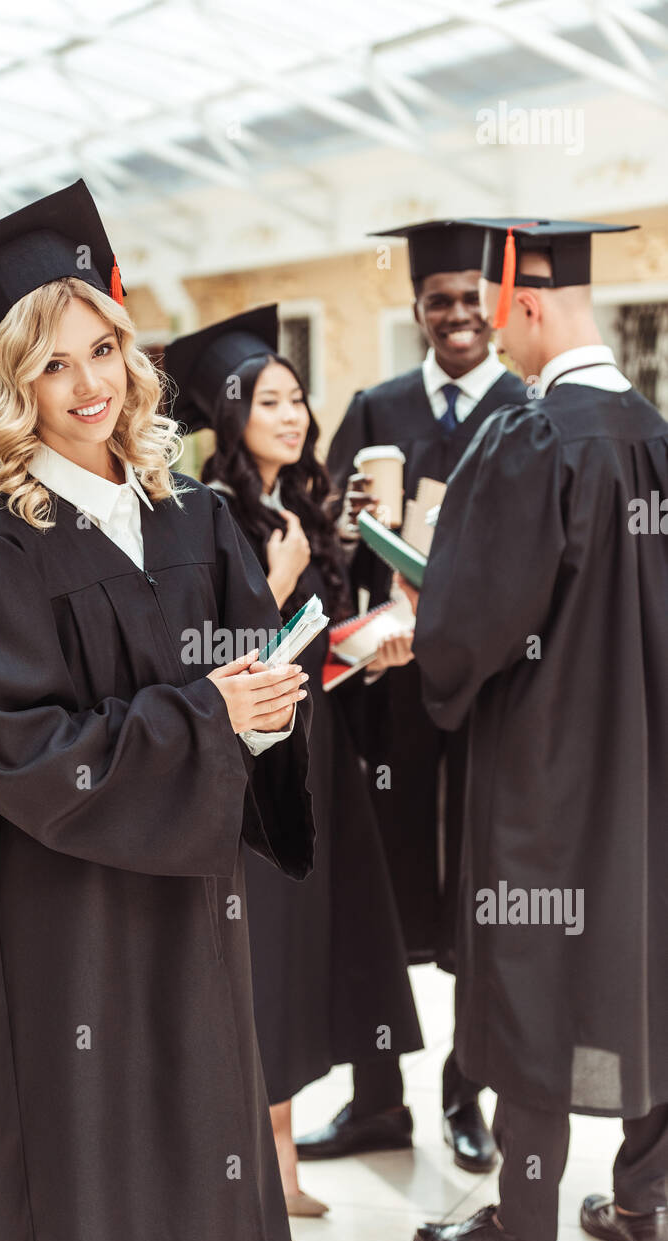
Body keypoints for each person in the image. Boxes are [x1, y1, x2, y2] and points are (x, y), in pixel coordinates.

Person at [0, 181, 316, 1241]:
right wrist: (207, 718)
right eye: (50, 363)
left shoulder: (199, 520)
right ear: (8, 386)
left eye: (101, 348)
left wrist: (278, 702)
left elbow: (256, 704)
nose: (88, 384)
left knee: (207, 1139)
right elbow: (25, 758)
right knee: (99, 1171)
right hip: (69, 927)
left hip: (194, 910)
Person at [410, 217, 668, 1241]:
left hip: (548, 763)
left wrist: (429, 653)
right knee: (650, 949)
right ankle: (649, 1204)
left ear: (522, 305)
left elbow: (470, 619)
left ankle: (524, 1226)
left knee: (531, 966)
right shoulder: (655, 432)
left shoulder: (535, 435)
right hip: (651, 766)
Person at [165, 307, 423, 1241]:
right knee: (260, 962)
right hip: (251, 764)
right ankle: (256, 1188)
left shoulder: (303, 506)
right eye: (270, 400)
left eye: (297, 396)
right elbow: (199, 656)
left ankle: (284, 1162)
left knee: (304, 959)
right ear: (229, 415)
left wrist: (370, 642)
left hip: (315, 749)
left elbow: (318, 644)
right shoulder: (205, 513)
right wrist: (273, 588)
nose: (296, 413)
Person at [300, 221, 528, 1172]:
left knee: (485, 903)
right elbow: (329, 547)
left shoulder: (527, 408)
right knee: (379, 896)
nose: (458, 314)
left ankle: (466, 1092)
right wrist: (349, 534)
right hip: (389, 702)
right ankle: (376, 1099)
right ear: (417, 308)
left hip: (492, 707)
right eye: (439, 298)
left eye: (473, 297)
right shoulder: (377, 405)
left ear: (499, 306)